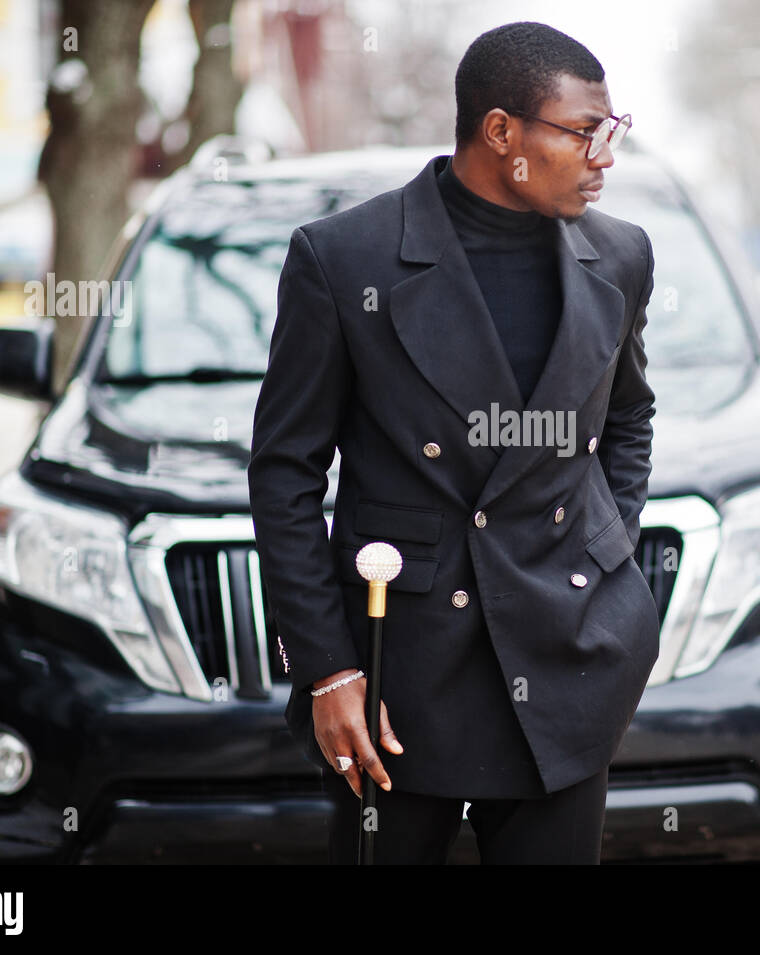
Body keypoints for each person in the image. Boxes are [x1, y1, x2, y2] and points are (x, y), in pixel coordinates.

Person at [247, 20, 658, 864]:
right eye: (585, 130)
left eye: (611, 131)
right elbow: (286, 472)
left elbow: (627, 417)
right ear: (501, 132)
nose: (604, 155)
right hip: (399, 675)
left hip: (568, 656)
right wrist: (328, 668)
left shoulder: (619, 257)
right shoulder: (344, 258)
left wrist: (601, 556)